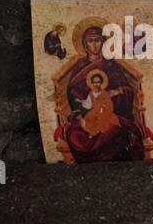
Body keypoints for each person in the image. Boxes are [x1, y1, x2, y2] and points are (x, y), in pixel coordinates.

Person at [58, 25, 147, 163]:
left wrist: (116, 93)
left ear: (103, 42)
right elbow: (73, 92)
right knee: (75, 135)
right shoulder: (80, 66)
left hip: (110, 113)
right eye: (90, 41)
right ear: (85, 45)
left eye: (98, 40)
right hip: (87, 115)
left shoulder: (110, 65)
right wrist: (83, 107)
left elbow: (128, 90)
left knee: (113, 131)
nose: (94, 45)